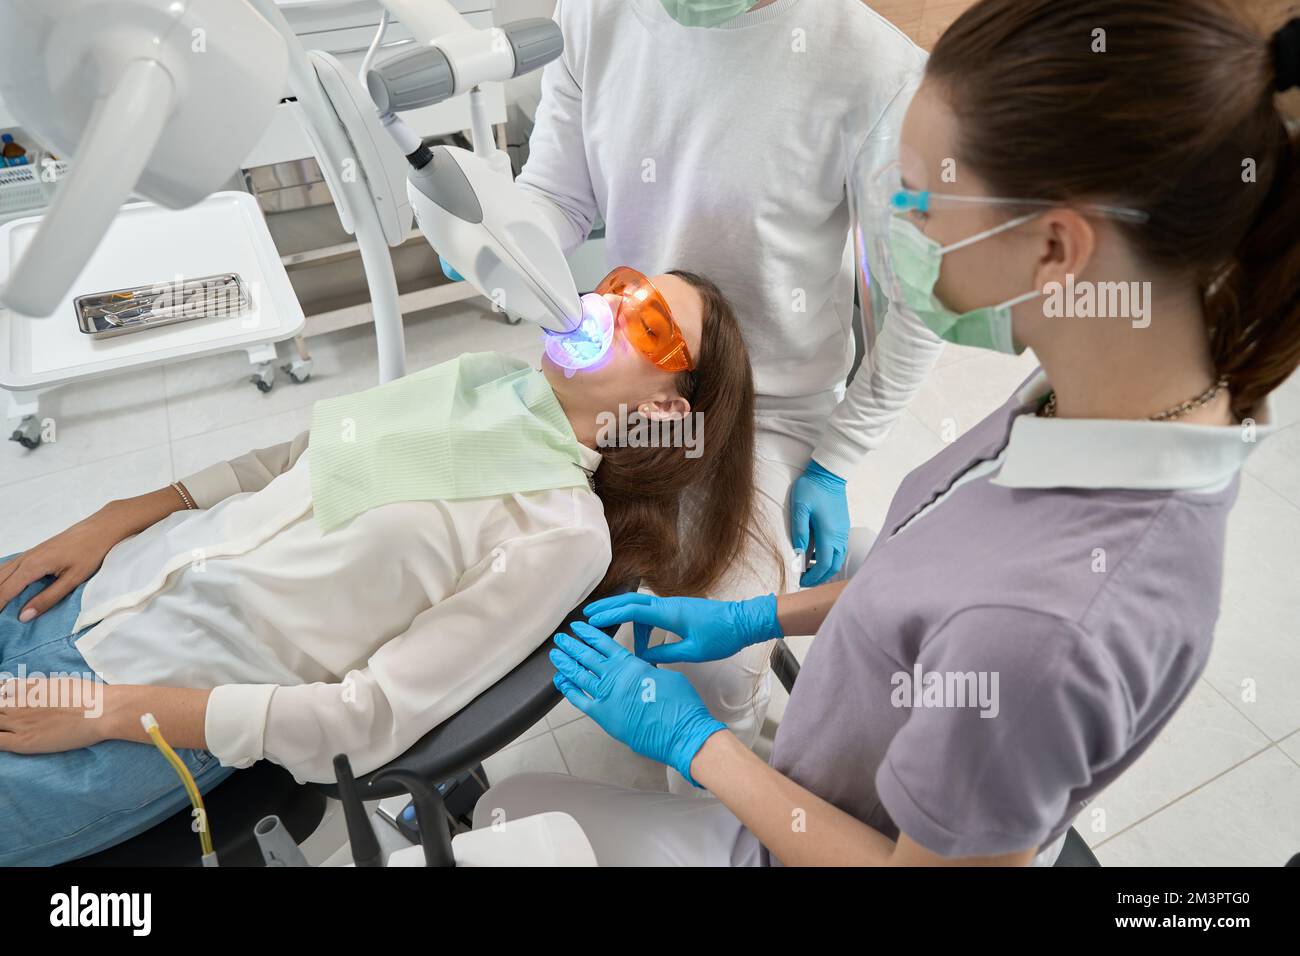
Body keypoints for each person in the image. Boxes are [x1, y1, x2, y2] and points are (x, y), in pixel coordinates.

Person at [473, 0, 1300, 865]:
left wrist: (695, 744)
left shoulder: (1050, 634)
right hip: (823, 777)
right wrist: (758, 617)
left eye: (923, 197)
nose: (894, 223)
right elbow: (925, 590)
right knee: (519, 806)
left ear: (1055, 250)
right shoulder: (1092, 388)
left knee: (506, 820)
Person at [0, 270, 757, 865]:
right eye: (619, 286)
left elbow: (364, 721)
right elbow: (296, 458)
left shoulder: (559, 531)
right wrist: (127, 512)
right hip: (110, 577)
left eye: (648, 323)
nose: (605, 306)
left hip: (136, 709)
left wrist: (109, 711)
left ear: (662, 409)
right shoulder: (481, 377)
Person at [498, 0, 946, 789]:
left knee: (711, 659)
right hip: (631, 383)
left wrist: (837, 458)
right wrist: (499, 239)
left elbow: (927, 302)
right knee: (488, 539)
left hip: (766, 410)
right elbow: (559, 197)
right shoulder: (595, 16)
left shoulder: (870, 68)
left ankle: (716, 802)